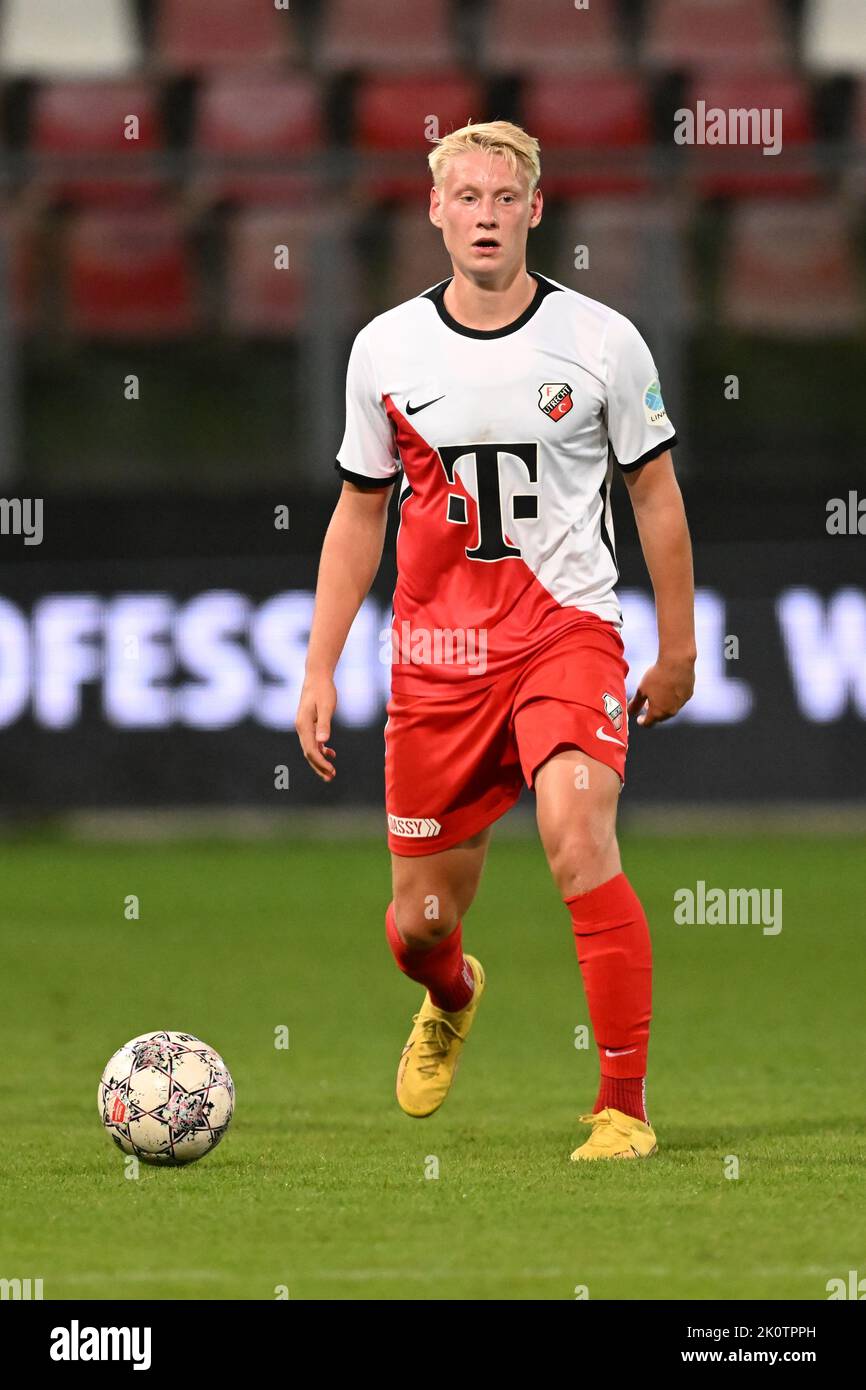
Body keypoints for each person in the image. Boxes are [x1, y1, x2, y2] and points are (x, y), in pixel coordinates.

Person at [296, 121, 696, 1160]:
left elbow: (652, 493)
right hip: (436, 660)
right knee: (422, 921)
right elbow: (356, 514)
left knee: (577, 835)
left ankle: (622, 1107)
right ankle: (451, 991)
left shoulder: (601, 340)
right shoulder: (383, 348)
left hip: (564, 634)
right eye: (464, 195)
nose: (483, 213)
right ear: (434, 211)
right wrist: (317, 664)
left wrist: (678, 645)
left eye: (502, 196)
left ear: (533, 209)